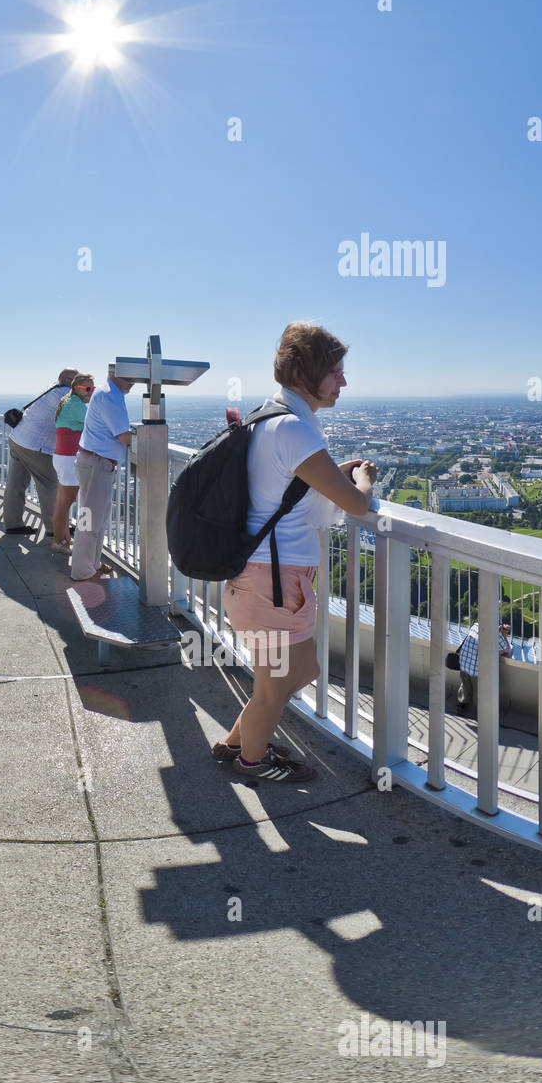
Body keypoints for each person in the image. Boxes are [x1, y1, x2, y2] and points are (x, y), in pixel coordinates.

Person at [215, 320, 380, 785]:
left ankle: (234, 744)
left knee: (298, 670)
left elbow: (288, 484)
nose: (343, 382)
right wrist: (363, 476)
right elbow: (356, 504)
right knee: (276, 683)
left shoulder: (268, 418)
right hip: (274, 582)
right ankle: (254, 762)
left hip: (263, 578)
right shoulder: (294, 430)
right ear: (310, 373)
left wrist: (333, 469)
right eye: (336, 372)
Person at [67, 367, 137, 582]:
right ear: (118, 375)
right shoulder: (110, 395)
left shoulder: (107, 392)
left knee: (95, 519)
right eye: (131, 377)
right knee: (89, 522)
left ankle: (92, 565)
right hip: (97, 464)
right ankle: (82, 571)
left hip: (95, 462)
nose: (133, 383)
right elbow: (124, 436)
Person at [0, 370, 79, 535]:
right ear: (67, 380)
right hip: (35, 446)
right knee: (49, 484)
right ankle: (55, 528)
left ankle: (13, 524)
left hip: (18, 439)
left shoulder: (50, 388)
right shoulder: (65, 393)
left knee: (15, 484)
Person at [49, 370, 93, 552]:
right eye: (87, 388)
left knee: (64, 502)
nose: (90, 392)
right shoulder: (76, 404)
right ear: (76, 388)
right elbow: (95, 424)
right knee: (65, 503)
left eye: (93, 388)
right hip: (69, 459)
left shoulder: (69, 401)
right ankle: (59, 542)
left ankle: (64, 539)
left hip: (63, 457)